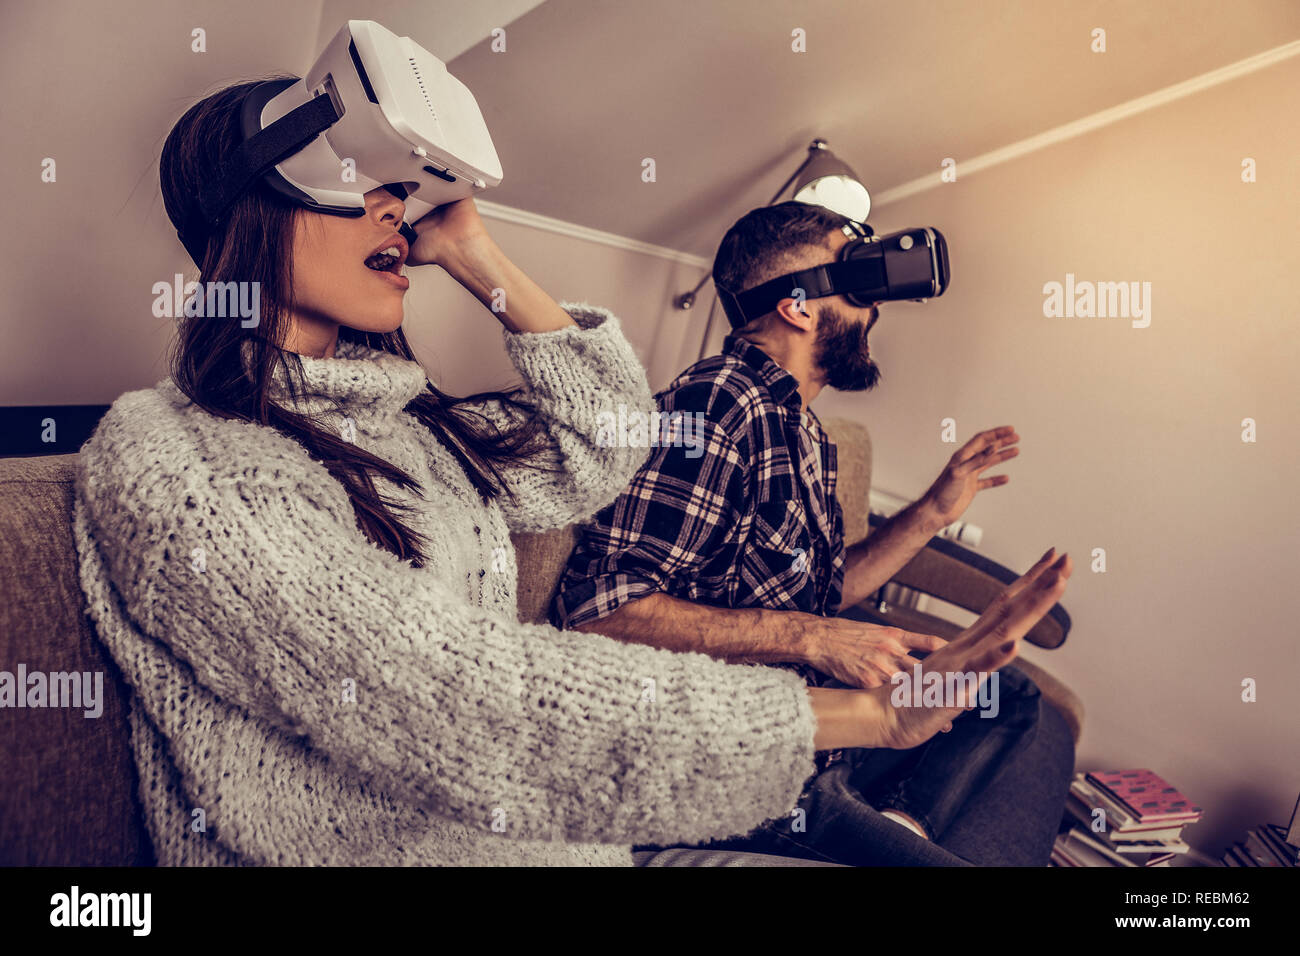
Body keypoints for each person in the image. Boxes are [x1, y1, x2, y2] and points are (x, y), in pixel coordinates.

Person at [72, 83, 1072, 867]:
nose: (390, 204)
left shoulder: (412, 429)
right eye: (345, 180)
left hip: (567, 835)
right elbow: (449, 698)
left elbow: (609, 442)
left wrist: (474, 250)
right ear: (238, 216)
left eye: (394, 187)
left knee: (1019, 709)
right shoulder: (172, 458)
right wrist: (850, 714)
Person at [554, 201, 1077, 865]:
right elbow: (599, 614)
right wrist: (816, 638)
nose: (874, 311)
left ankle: (901, 821)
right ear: (798, 306)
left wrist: (930, 514)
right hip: (741, 769)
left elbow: (820, 595)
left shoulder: (802, 431)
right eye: (857, 285)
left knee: (1007, 694)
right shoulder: (717, 402)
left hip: (822, 730)